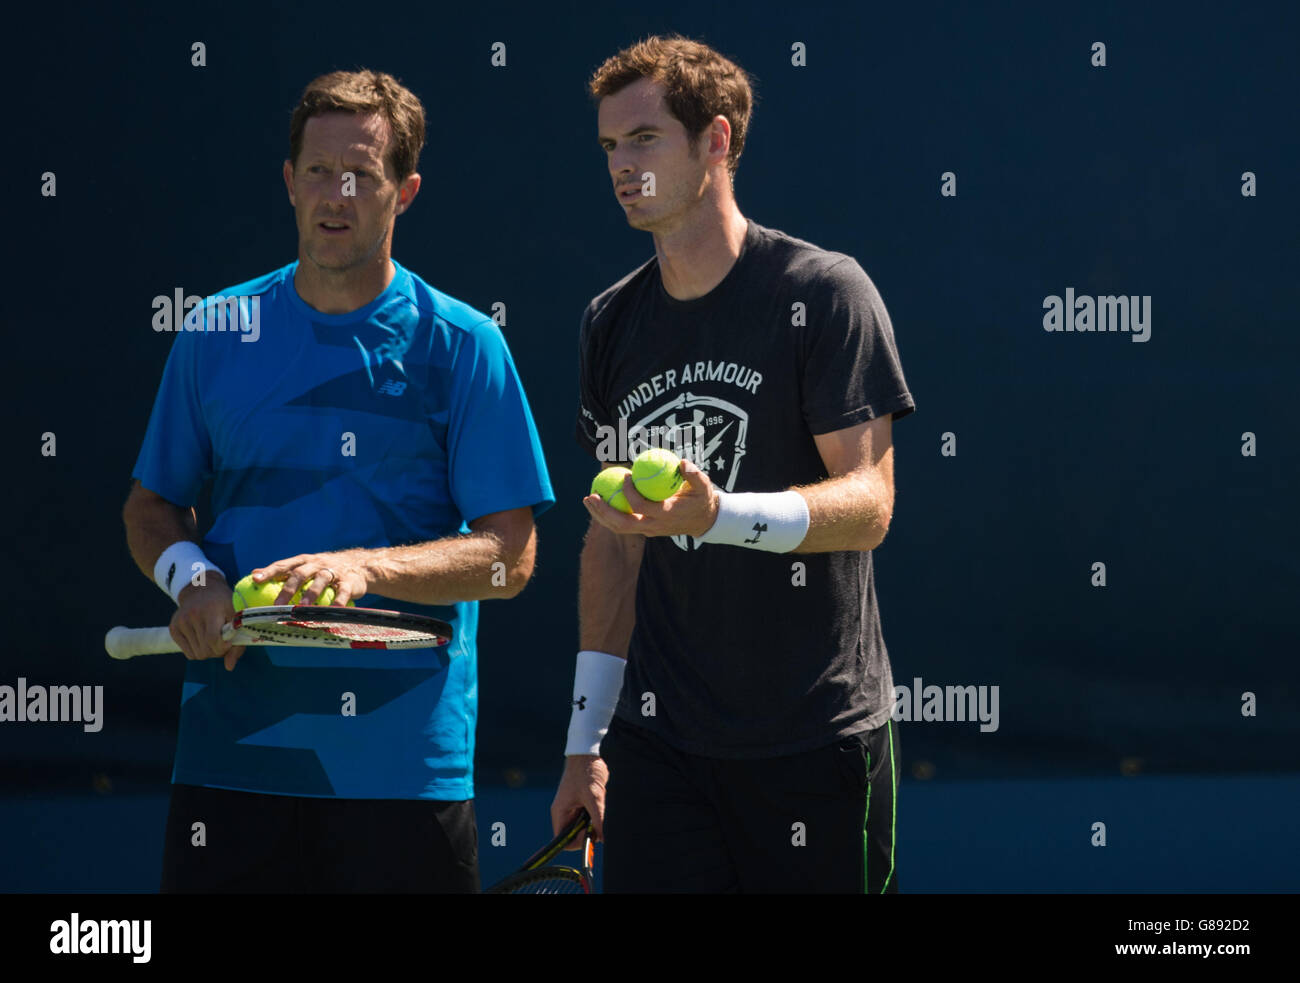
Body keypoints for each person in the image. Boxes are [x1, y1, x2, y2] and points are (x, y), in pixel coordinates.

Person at [123, 69, 553, 893]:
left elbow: (512, 554)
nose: (336, 193)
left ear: (406, 190)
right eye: (318, 170)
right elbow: (151, 509)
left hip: (402, 782)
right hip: (229, 766)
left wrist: (369, 568)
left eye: (361, 174)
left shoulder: (465, 345)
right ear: (289, 182)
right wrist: (194, 577)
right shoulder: (215, 329)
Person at [550, 36, 915, 893]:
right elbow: (611, 546)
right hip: (659, 750)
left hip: (817, 741)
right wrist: (583, 745)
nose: (621, 164)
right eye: (609, 146)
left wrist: (718, 515)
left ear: (716, 140)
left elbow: (870, 504)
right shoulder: (610, 322)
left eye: (644, 139)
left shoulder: (825, 292)